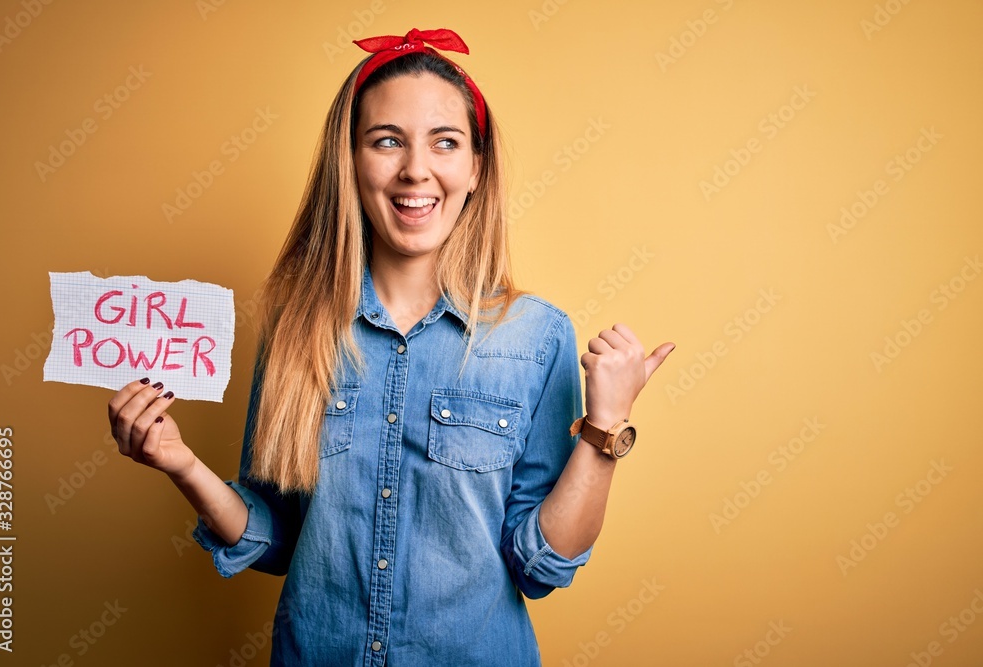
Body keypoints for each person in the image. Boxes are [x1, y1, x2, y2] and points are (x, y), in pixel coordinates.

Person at [107, 27, 674, 666]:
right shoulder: (297, 328)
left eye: (445, 142)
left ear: (475, 167)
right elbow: (276, 538)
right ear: (349, 160)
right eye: (386, 141)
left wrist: (605, 428)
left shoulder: (536, 336)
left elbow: (541, 565)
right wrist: (180, 462)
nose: (416, 170)